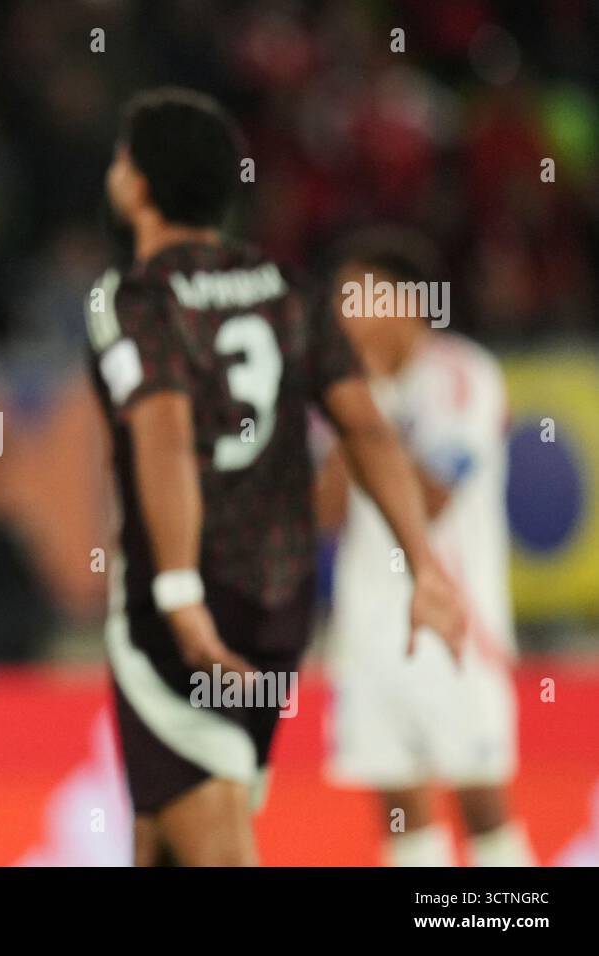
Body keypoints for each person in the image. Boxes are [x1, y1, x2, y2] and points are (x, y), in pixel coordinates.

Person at [86, 87, 466, 866]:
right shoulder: (291, 289)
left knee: (211, 827)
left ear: (139, 183)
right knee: (165, 831)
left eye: (125, 156)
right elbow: (366, 427)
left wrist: (181, 596)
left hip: (184, 611)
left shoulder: (132, 299)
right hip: (283, 606)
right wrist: (424, 565)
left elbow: (163, 437)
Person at [318, 228, 534, 866]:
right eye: (340, 300)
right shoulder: (345, 391)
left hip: (452, 621)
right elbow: (325, 513)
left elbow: (434, 497)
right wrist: (351, 410)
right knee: (400, 814)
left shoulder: (464, 377)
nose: (344, 314)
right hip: (367, 627)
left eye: (358, 297)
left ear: (407, 302)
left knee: (481, 803)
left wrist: (369, 415)